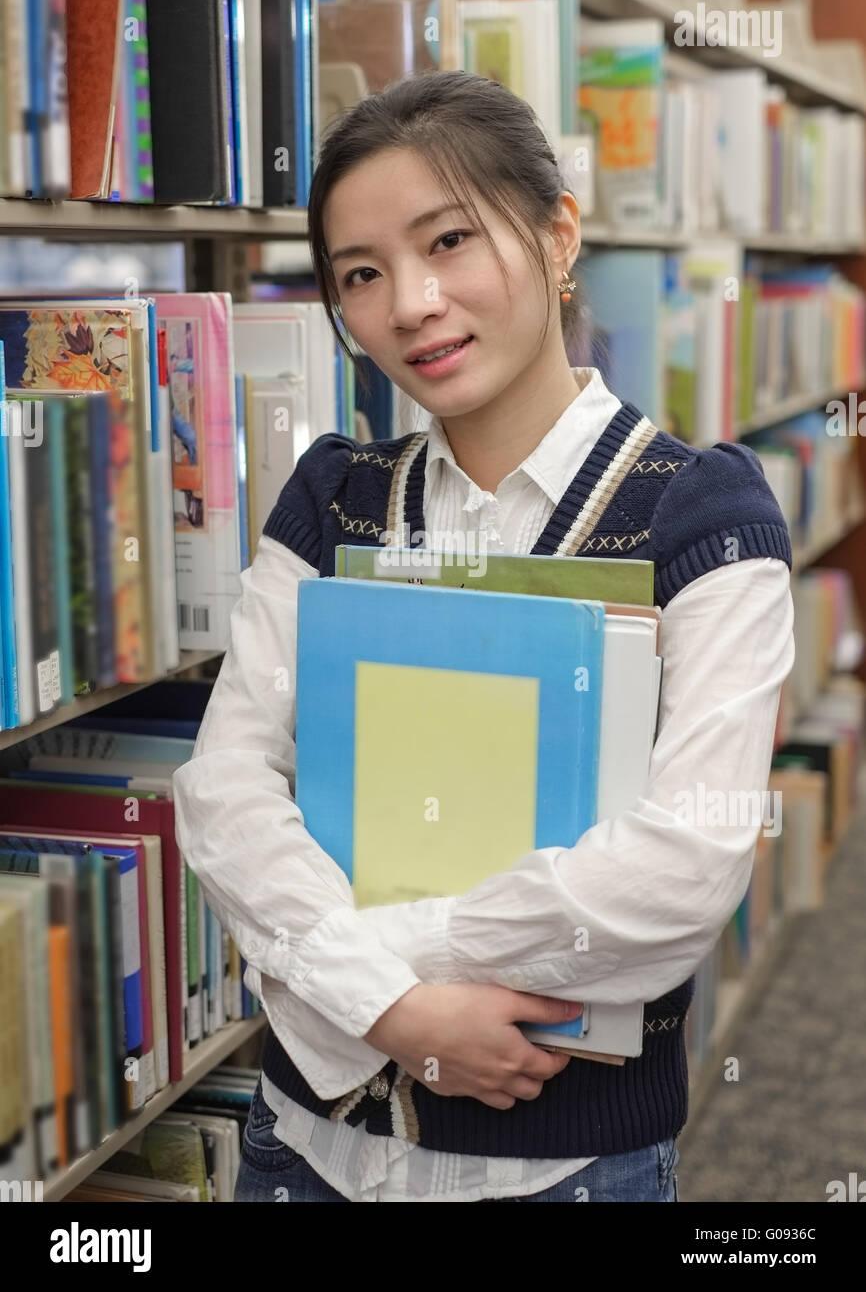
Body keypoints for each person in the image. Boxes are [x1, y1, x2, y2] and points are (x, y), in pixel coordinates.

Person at [171, 70, 795, 1202]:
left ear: (558, 234)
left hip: (563, 1171)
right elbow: (223, 789)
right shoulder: (331, 497)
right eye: (360, 274)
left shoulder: (702, 515)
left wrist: (362, 965)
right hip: (299, 1153)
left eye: (448, 240)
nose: (410, 302)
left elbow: (686, 861)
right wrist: (396, 1011)